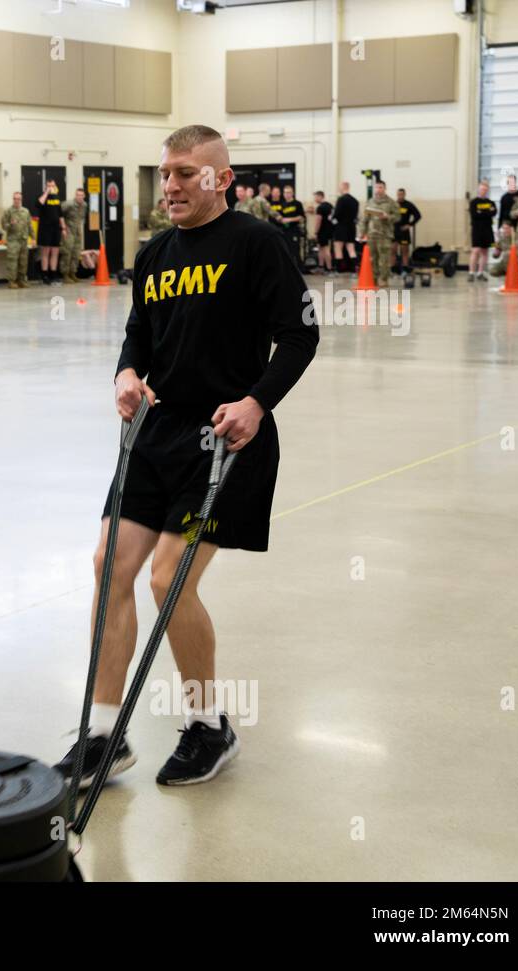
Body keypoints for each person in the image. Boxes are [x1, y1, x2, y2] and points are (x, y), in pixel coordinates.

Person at [52, 124, 317, 788]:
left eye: (184, 173)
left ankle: (208, 724)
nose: (169, 184)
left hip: (227, 441)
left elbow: (300, 336)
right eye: (164, 173)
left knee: (170, 579)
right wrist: (125, 375)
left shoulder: (259, 244)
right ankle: (104, 736)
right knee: (108, 565)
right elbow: (137, 333)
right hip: (155, 435)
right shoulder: (154, 253)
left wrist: (257, 402)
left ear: (221, 179)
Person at [359, 180, 401, 287]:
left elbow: (398, 217)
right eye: (376, 187)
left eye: (380, 187)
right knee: (372, 258)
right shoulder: (370, 202)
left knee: (384, 258)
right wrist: (361, 232)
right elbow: (364, 219)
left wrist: (388, 217)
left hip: (385, 234)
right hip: (372, 234)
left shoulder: (391, 202)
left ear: (384, 188)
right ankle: (373, 278)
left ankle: (384, 279)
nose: (378, 189)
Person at [1, 191, 32, 289]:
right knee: (12, 261)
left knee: (23, 261)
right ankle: (11, 281)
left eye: (19, 199)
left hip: (23, 240)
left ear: (21, 200)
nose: (17, 201)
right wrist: (11, 224)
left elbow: (29, 226)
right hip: (13, 240)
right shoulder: (8, 211)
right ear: (13, 199)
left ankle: (21, 280)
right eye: (15, 199)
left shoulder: (26, 211)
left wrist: (34, 238)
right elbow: (3, 226)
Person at [467, 182, 497, 281]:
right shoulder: (474, 202)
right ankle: (471, 272)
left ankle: (480, 272)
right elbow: (475, 215)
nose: (483, 191)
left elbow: (494, 212)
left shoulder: (491, 202)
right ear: (479, 190)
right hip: (477, 229)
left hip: (488, 229)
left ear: (487, 190)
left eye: (485, 189)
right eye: (482, 189)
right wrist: (487, 212)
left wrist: (482, 213)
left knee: (485, 251)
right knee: (475, 250)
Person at [35, 179, 63, 285]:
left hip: (56, 228)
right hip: (45, 228)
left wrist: (63, 228)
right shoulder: (42, 196)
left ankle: (53, 274)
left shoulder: (57, 198)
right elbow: (38, 204)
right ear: (46, 187)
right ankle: (45, 274)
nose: (52, 187)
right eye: (49, 186)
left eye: (53, 185)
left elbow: (60, 214)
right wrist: (46, 192)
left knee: (55, 252)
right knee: (45, 252)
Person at [59, 187, 88, 284]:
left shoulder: (84, 205)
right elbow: (59, 213)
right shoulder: (68, 204)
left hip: (77, 232)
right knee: (67, 253)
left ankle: (73, 273)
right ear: (75, 195)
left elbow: (81, 218)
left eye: (81, 195)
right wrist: (63, 227)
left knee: (76, 253)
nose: (79, 197)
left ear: (84, 196)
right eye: (77, 195)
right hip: (68, 231)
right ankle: (65, 275)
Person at [332, 181, 359, 273]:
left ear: (343, 187)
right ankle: (355, 268)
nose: (339, 189)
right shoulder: (355, 201)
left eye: (340, 187)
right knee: (351, 248)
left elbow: (337, 214)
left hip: (341, 227)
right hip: (351, 227)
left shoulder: (341, 199)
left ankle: (338, 270)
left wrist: (332, 219)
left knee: (338, 248)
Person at [393, 189, 422, 274]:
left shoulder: (409, 205)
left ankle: (405, 268)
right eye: (398, 194)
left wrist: (410, 224)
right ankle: (393, 269)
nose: (400, 196)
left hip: (404, 231)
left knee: (404, 250)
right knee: (392, 249)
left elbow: (418, 216)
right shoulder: (393, 205)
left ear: (404, 194)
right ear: (397, 194)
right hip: (394, 230)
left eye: (401, 194)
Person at [279, 186, 306, 268]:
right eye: (285, 192)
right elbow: (281, 218)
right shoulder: (282, 204)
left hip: (294, 230)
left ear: (292, 193)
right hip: (284, 230)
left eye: (289, 192)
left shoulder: (297, 204)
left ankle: (300, 268)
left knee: (295, 250)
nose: (287, 194)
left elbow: (301, 217)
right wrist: (282, 220)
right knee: (287, 250)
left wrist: (289, 219)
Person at [498, 174, 518, 249]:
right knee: (507, 249)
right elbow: (501, 213)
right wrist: (499, 227)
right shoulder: (504, 197)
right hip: (507, 226)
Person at [311, 190, 333, 273]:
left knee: (325, 249)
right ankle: (321, 266)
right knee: (320, 248)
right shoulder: (330, 206)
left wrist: (315, 232)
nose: (314, 199)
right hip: (329, 230)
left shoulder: (320, 207)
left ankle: (329, 268)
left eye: (315, 197)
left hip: (322, 231)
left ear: (320, 196)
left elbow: (318, 221)